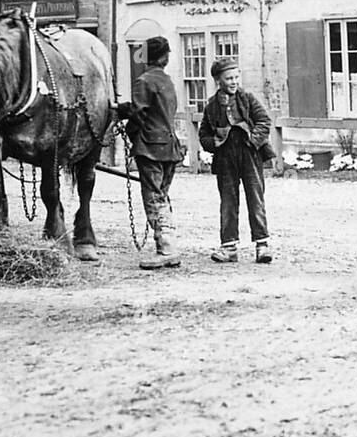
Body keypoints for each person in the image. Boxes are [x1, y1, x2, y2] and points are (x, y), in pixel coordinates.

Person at [117, 36, 183, 270]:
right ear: (165, 58)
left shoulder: (143, 81)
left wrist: (126, 126)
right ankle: (168, 246)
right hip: (170, 146)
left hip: (151, 148)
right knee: (162, 195)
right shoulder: (167, 81)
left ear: (145, 58)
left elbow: (138, 114)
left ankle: (167, 249)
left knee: (153, 198)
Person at [199, 57, 273, 263]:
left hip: (249, 155)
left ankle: (262, 245)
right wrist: (213, 143)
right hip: (225, 158)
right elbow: (203, 133)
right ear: (218, 81)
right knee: (228, 202)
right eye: (228, 78)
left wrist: (253, 140)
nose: (233, 82)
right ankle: (229, 247)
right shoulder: (212, 106)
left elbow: (264, 121)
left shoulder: (247, 99)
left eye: (236, 77)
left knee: (255, 199)